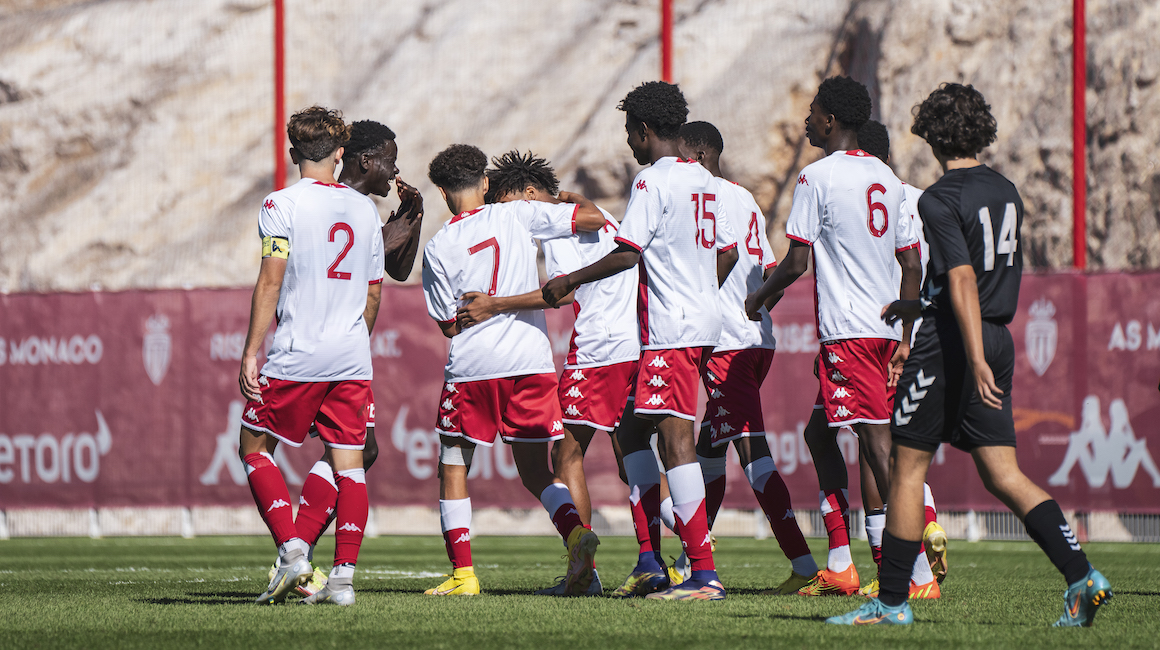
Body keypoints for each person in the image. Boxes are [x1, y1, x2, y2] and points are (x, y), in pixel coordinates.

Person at [829, 83, 1113, 626]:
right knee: (1002, 473)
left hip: (956, 343)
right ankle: (1082, 576)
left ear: (931, 136)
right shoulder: (1007, 190)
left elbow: (961, 277)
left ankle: (892, 604)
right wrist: (918, 307)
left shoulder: (938, 197)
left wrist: (971, 354)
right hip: (996, 334)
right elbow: (979, 276)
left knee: (906, 466)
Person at [543, 81, 727, 601]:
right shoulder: (704, 179)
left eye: (629, 132)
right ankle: (649, 560)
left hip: (671, 329)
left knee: (676, 441)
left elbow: (628, 252)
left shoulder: (652, 180)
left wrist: (571, 279)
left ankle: (703, 574)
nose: (628, 143)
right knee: (631, 429)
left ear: (644, 130)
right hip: (699, 322)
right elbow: (723, 251)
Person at [744, 76, 925, 597]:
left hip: (850, 332)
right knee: (819, 435)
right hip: (883, 331)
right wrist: (904, 334)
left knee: (876, 445)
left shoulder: (817, 176)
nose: (806, 121)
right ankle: (842, 564)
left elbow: (796, 261)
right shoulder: (888, 179)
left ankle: (913, 572)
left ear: (831, 120)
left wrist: (758, 299)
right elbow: (911, 265)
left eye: (813, 112)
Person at [420, 144, 606, 597]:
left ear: (442, 192)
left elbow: (448, 325)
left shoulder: (438, 246)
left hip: (474, 366)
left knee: (453, 463)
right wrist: (561, 199)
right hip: (530, 362)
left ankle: (463, 575)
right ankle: (576, 534)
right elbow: (593, 220)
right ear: (485, 183)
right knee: (536, 471)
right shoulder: (517, 214)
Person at [456, 150, 640, 596]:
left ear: (529, 194)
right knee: (631, 460)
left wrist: (495, 305)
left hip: (598, 350)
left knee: (565, 457)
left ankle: (585, 572)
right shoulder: (599, 215)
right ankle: (682, 552)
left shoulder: (557, 226)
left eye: (509, 204)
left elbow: (559, 293)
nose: (508, 215)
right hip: (634, 344)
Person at [268, 119, 426, 597]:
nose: (395, 171)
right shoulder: (342, 208)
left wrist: (412, 220)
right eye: (390, 162)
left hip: (332, 351)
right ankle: (297, 552)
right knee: (350, 455)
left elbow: (397, 269)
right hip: (325, 349)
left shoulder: (356, 209)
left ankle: (297, 551)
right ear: (363, 160)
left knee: (360, 451)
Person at [238, 106, 382, 606]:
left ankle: (293, 550)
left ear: (293, 152)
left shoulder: (280, 204)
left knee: (254, 447)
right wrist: (353, 346)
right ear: (341, 153)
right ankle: (342, 582)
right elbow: (373, 293)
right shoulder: (364, 209)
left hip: (299, 352)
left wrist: (251, 351)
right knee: (351, 467)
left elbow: (270, 280)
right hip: (351, 355)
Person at [673, 121, 819, 595]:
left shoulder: (702, 197)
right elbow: (771, 270)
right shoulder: (744, 197)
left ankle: (803, 563)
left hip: (727, 344)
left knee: (754, 454)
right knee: (709, 451)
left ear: (697, 157)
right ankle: (688, 560)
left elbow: (722, 258)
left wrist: (721, 313)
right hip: (756, 340)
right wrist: (755, 311)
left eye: (680, 157)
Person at [854, 119, 948, 593]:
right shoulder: (921, 199)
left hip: (872, 334)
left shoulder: (852, 192)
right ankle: (920, 532)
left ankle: (904, 558)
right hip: (924, 334)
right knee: (893, 443)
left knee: (873, 444)